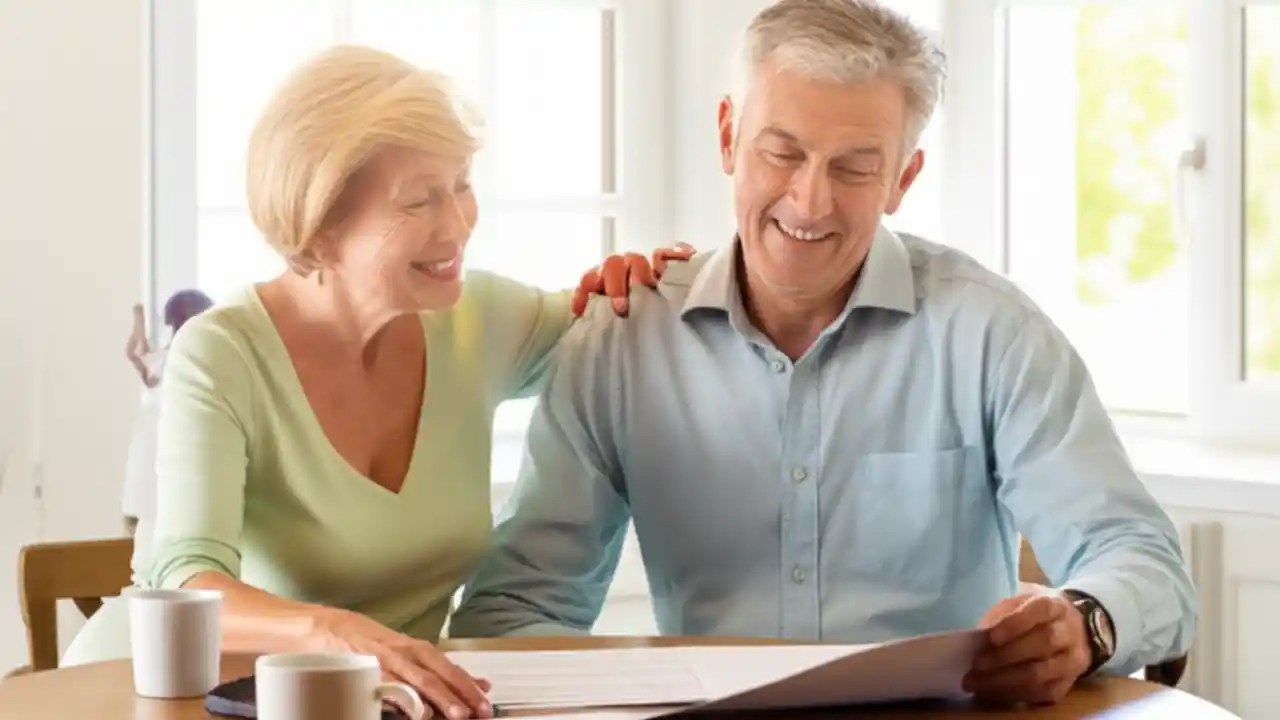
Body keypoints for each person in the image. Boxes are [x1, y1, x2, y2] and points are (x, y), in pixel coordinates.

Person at [451, 0, 1197, 707]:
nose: (809, 202)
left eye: (854, 168)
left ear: (902, 178)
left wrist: (1084, 622)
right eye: (782, 153)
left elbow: (1145, 562)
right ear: (727, 138)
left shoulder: (990, 334)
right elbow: (513, 611)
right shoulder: (623, 341)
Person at [62, 44, 690, 720]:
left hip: (366, 705)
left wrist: (644, 279)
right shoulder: (222, 354)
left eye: (461, 184)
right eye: (418, 201)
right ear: (321, 231)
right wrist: (335, 633)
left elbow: (617, 327)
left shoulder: (478, 320)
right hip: (162, 694)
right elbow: (189, 580)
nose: (458, 225)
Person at [122, 290, 214, 536]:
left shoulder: (160, 362)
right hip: (165, 501)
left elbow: (134, 353)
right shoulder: (193, 365)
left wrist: (139, 316)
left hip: (142, 499)